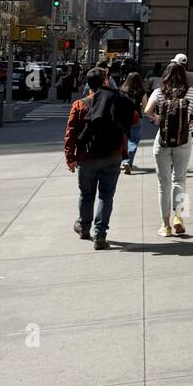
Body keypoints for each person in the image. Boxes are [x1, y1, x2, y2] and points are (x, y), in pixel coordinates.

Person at [64, 67, 138, 251]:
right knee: (106, 196)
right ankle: (100, 234)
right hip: (112, 156)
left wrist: (70, 158)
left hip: (86, 157)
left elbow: (71, 133)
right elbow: (135, 118)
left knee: (86, 194)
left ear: (87, 84)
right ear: (105, 82)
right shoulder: (116, 101)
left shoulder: (80, 105)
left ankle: (83, 227)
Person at [145, 62, 193, 238]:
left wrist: (157, 118)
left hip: (162, 141)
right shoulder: (192, 92)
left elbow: (147, 110)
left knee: (163, 184)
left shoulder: (159, 92)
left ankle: (165, 225)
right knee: (180, 179)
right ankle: (179, 218)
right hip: (184, 139)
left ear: (166, 75)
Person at [120, 70, 148, 174]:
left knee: (123, 139)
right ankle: (128, 161)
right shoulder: (141, 91)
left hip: (123, 118)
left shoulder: (122, 90)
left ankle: (123, 160)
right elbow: (145, 107)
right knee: (133, 140)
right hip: (135, 117)